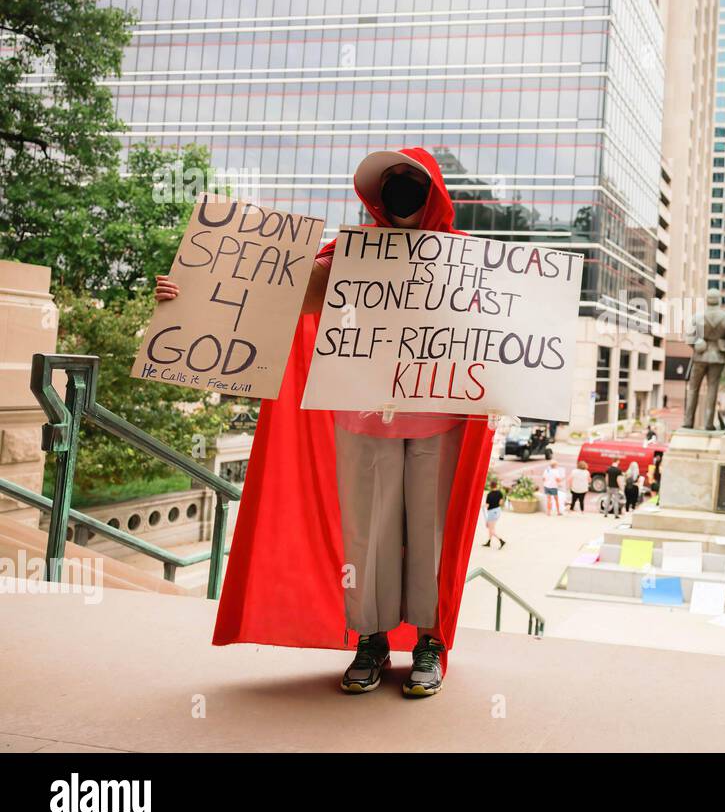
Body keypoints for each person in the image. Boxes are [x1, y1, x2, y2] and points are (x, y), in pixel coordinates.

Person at [190, 146, 494, 699]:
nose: (400, 190)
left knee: (431, 535)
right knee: (368, 536)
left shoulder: (469, 259)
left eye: (412, 181)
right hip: (362, 418)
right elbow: (283, 295)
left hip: (439, 420)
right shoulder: (347, 256)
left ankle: (430, 642)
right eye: (391, 182)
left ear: (435, 193)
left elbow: (506, 329)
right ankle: (371, 639)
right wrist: (191, 295)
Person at [482, 479, 506, 549]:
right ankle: (489, 542)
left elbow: (487, 506)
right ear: (496, 485)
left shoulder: (489, 495)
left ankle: (501, 540)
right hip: (498, 511)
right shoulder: (500, 493)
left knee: (491, 529)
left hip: (492, 512)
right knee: (491, 528)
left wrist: (482, 506)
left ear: (490, 486)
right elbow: (500, 503)